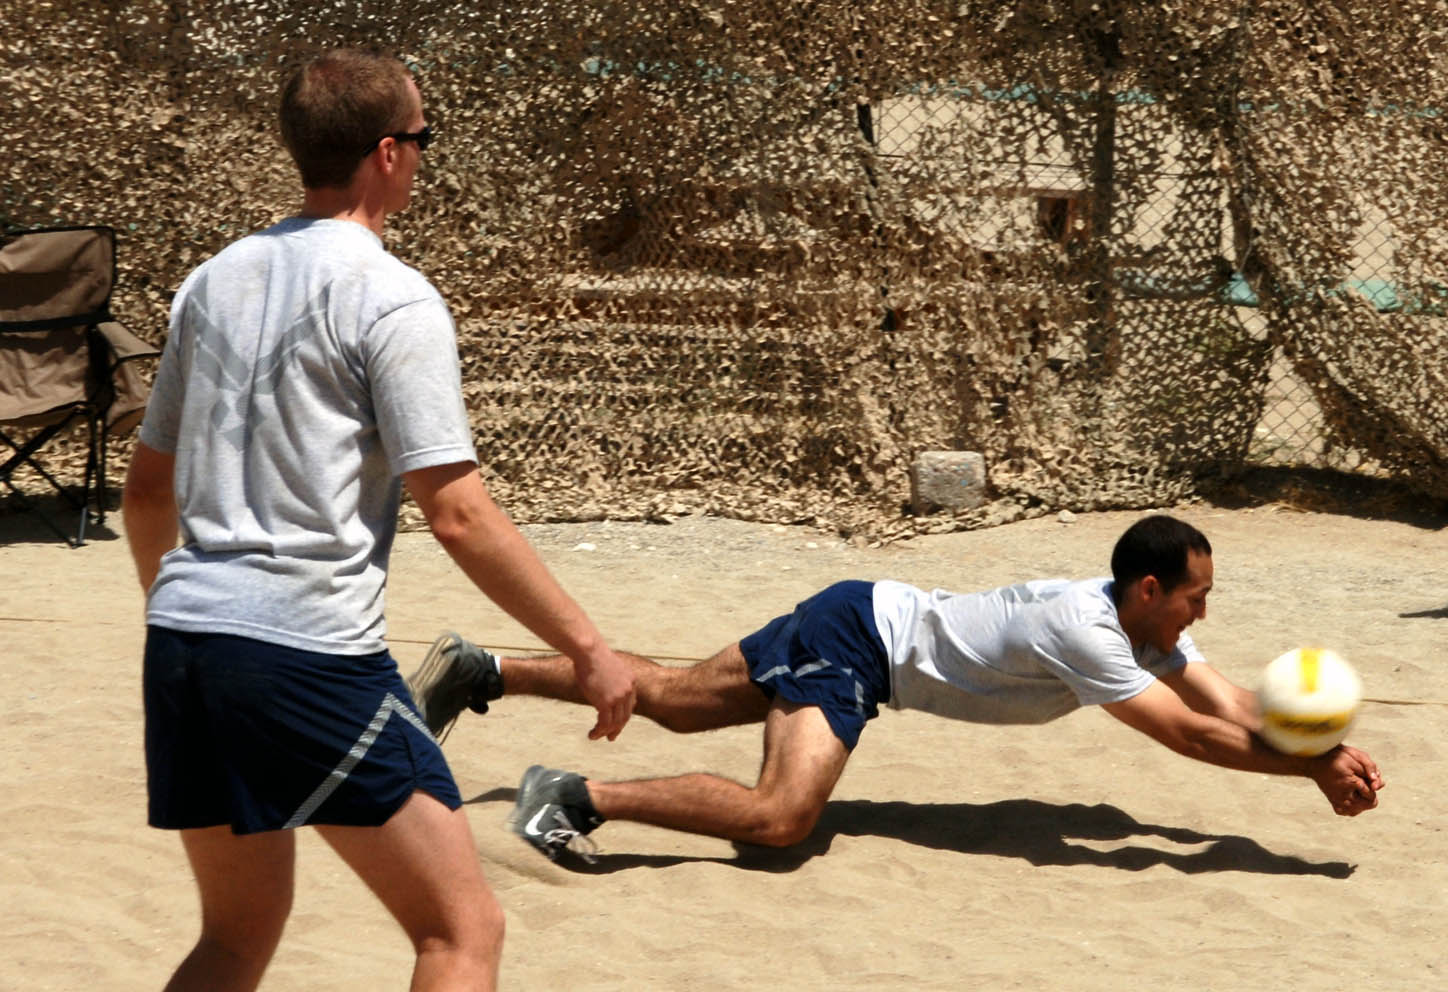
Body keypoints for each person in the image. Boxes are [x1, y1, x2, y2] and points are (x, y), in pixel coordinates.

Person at [123, 49, 635, 991]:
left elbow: (146, 494)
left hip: (185, 642)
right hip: (305, 650)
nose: (426, 155)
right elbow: (460, 515)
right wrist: (588, 649)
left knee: (234, 937)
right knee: (462, 930)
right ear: (389, 153)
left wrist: (198, 618)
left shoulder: (213, 280)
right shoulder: (392, 296)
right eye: (424, 137)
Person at [408, 514, 1384, 862]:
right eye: (1196, 596)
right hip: (859, 643)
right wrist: (1305, 769)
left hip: (859, 610)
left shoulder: (1145, 624)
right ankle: (570, 796)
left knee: (665, 696)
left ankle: (482, 670)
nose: (1202, 613)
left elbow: (1227, 704)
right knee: (782, 817)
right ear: (1149, 589)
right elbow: (1187, 735)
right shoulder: (1087, 630)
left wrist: (1320, 750)